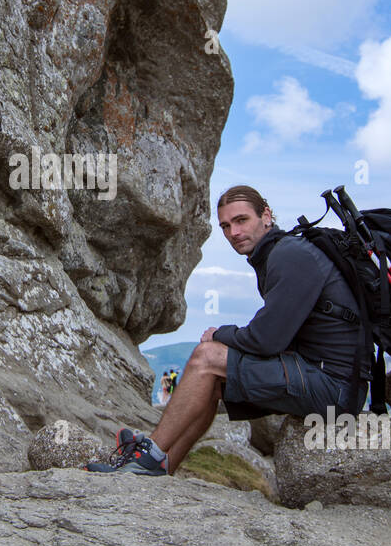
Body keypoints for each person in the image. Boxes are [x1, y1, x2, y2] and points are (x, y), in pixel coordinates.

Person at [88, 184, 371, 476]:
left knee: (206, 357)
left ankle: (148, 454)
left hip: (334, 388)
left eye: (241, 220)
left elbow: (266, 340)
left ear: (266, 215)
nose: (233, 233)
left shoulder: (289, 255)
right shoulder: (279, 253)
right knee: (212, 381)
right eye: (225, 225)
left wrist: (218, 334)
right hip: (324, 377)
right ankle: (162, 464)